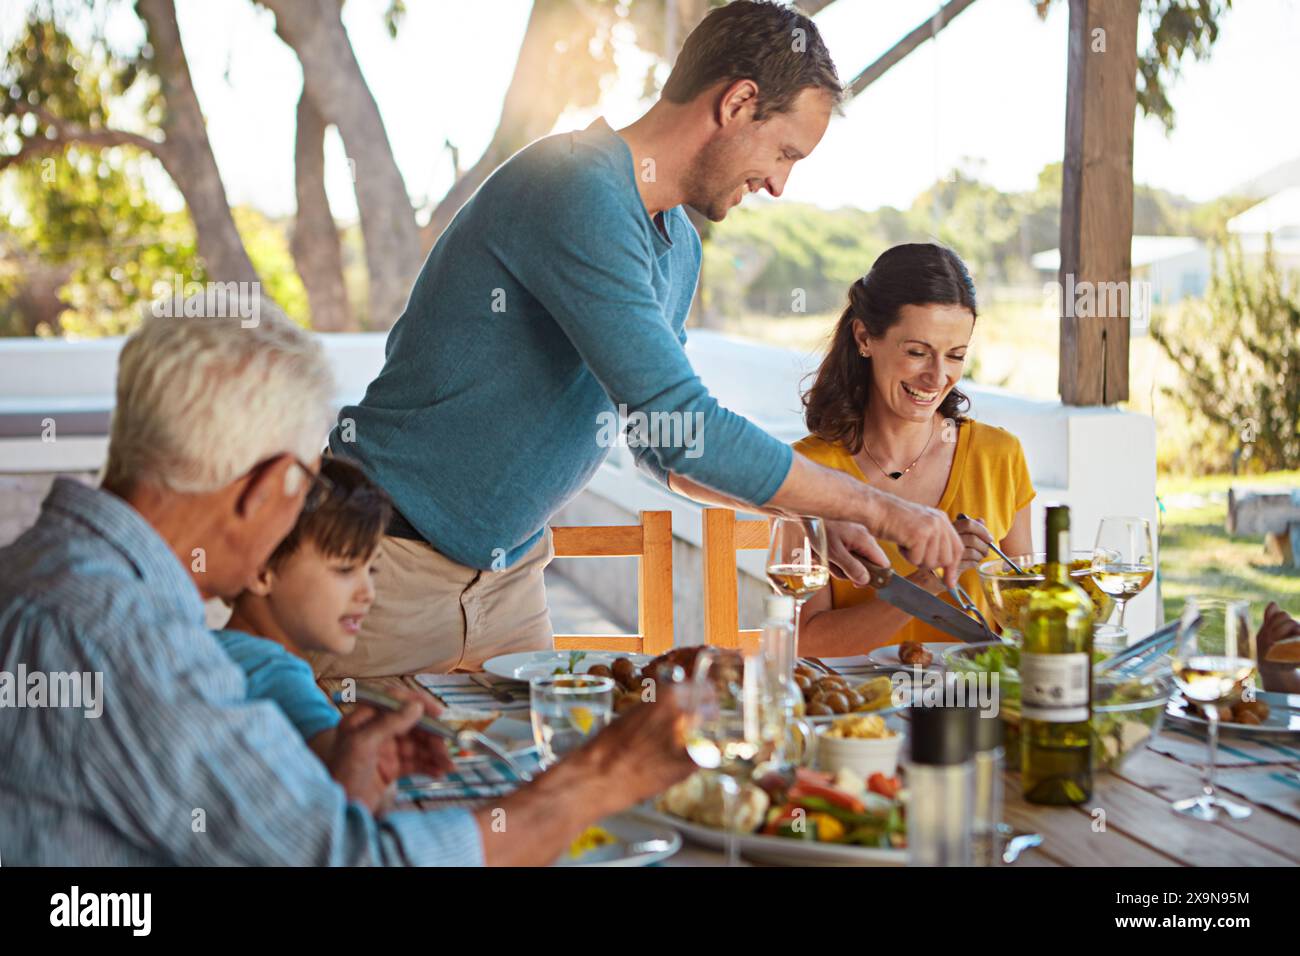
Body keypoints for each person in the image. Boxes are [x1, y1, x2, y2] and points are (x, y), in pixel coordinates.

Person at [312, 0, 962, 679]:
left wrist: (806, 511)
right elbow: (689, 427)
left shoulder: (679, 245)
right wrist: (877, 505)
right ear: (738, 103)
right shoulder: (574, 186)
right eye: (785, 152)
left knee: (542, 777)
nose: (777, 183)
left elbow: (660, 443)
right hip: (385, 563)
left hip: (510, 581)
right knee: (362, 780)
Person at [0, 308, 693, 866]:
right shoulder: (121, 635)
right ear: (268, 488)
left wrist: (333, 779)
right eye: (303, 482)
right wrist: (596, 780)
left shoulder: (51, 572)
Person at [794, 244, 1036, 655]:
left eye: (955, 355)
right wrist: (928, 582)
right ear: (864, 338)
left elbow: (1023, 616)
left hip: (972, 707)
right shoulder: (809, 469)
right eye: (917, 352)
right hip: (856, 711)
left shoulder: (999, 456)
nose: (937, 378)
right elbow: (808, 641)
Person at [213, 456, 391, 762]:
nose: (368, 594)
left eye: (370, 571)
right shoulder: (276, 674)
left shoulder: (219, 649)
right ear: (261, 572)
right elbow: (348, 784)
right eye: (345, 570)